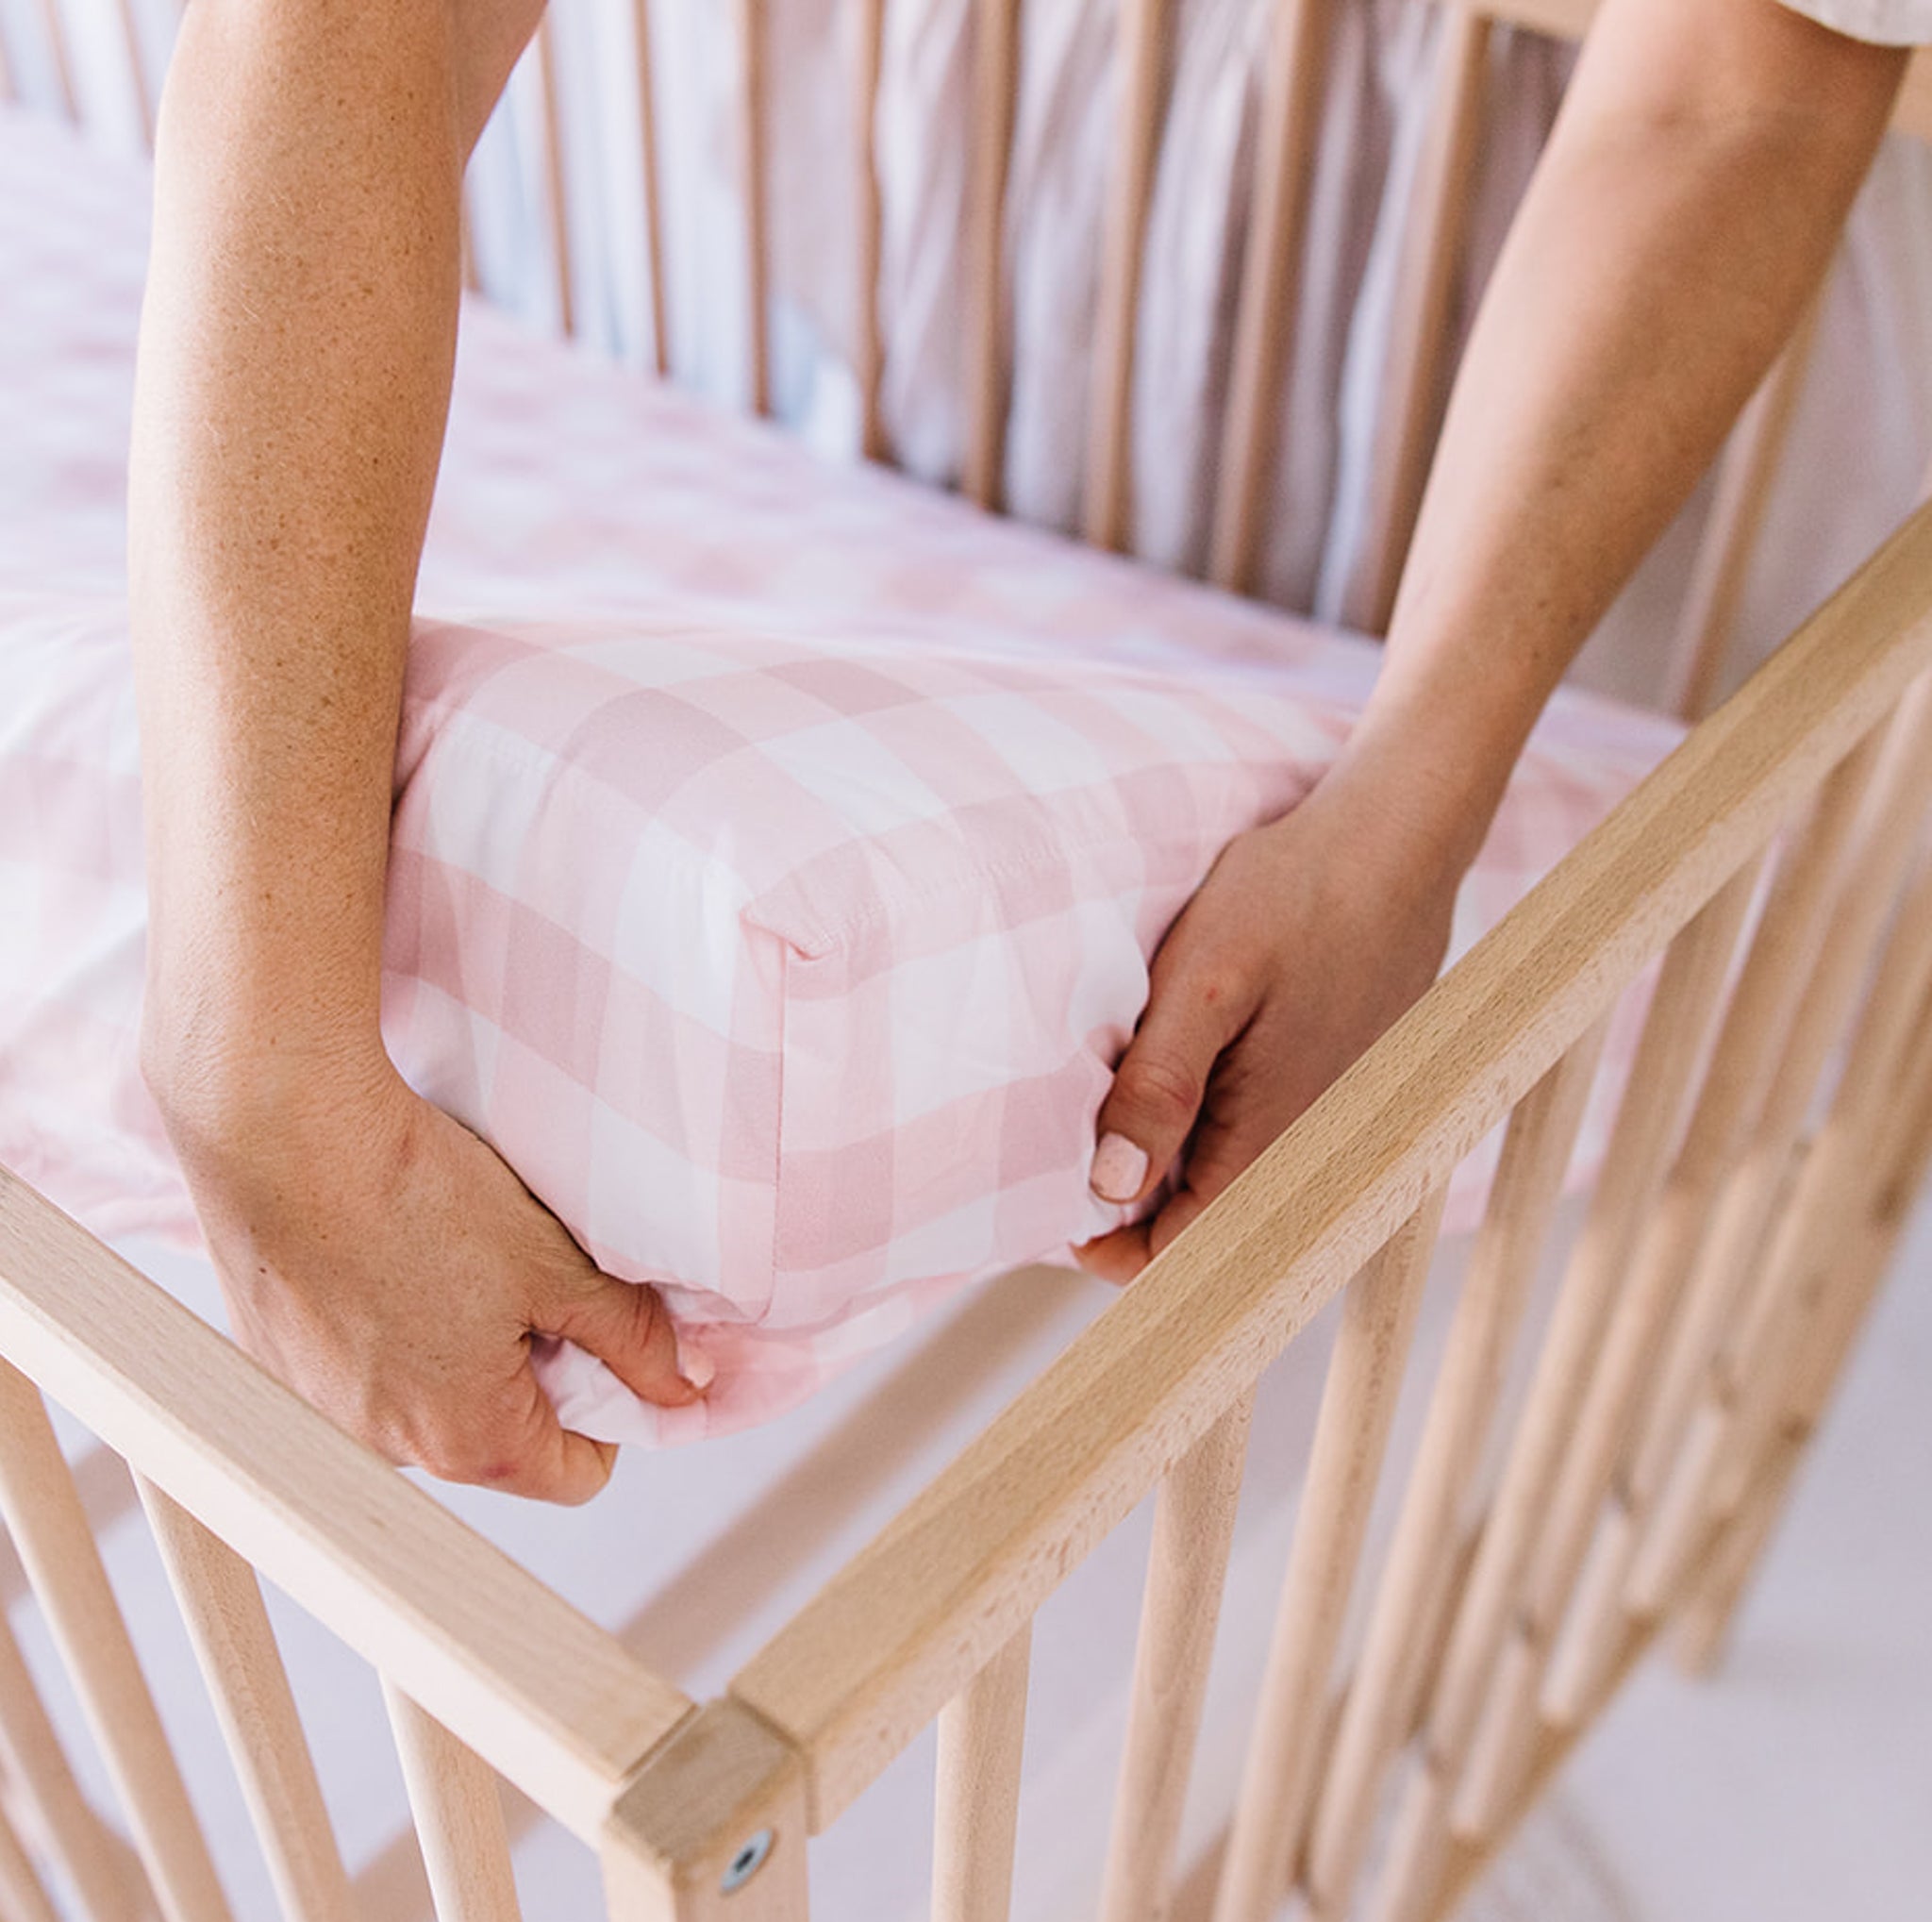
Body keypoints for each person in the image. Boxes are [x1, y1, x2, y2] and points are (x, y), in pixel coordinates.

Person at [126, 0, 1927, 1504]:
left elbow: (1733, 82)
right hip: (1010, 165)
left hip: (1545, 271)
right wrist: (251, 1051)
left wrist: (1409, 808)